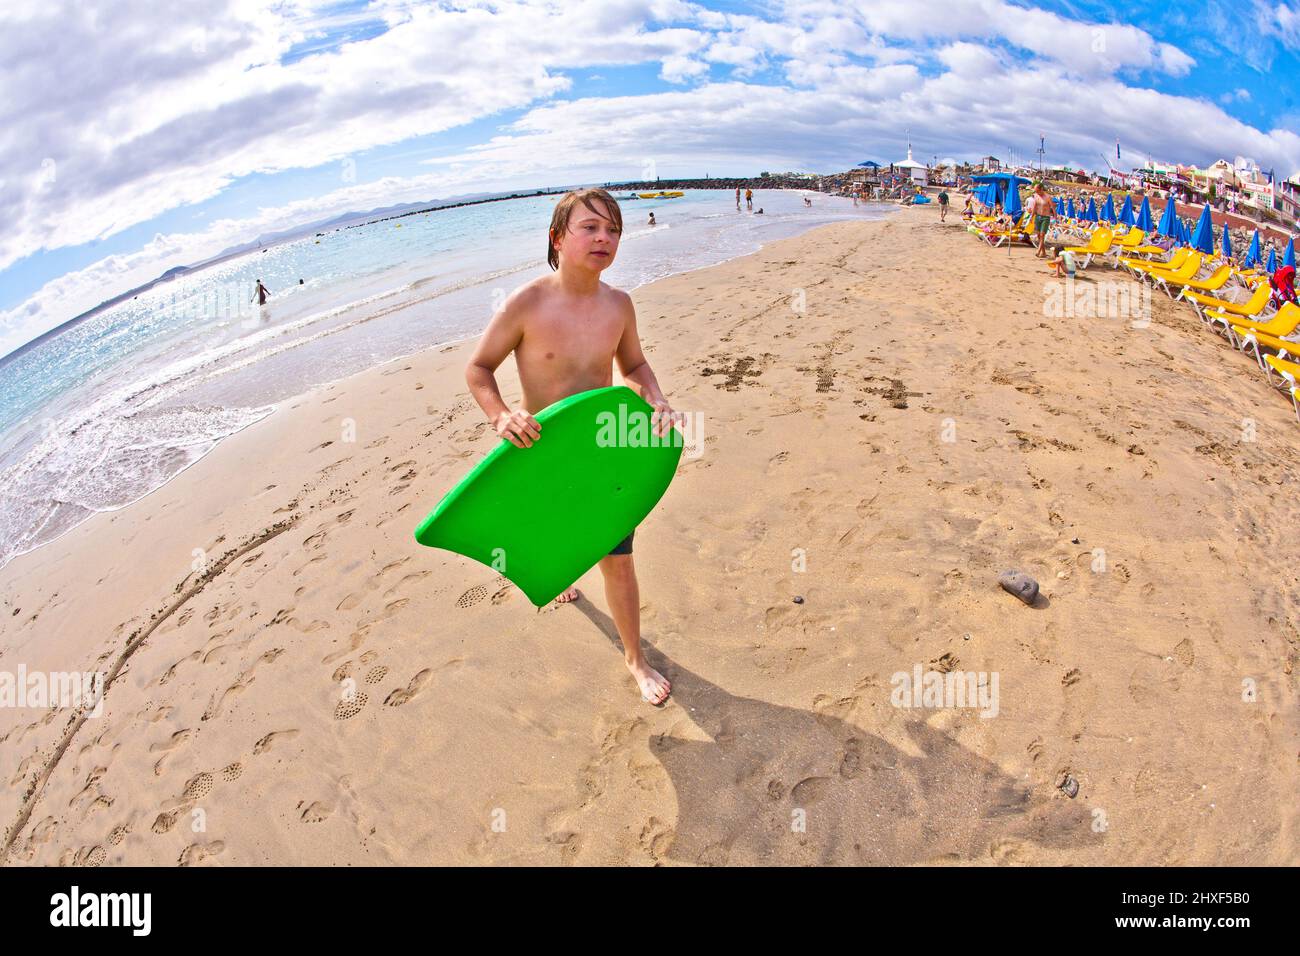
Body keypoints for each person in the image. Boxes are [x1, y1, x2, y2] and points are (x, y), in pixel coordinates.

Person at [464, 188, 679, 705]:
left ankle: (635, 658)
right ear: (557, 238)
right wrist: (501, 416)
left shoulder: (619, 305)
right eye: (590, 227)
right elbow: (478, 369)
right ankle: (561, 573)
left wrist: (656, 396)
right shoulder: (527, 303)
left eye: (613, 230)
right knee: (557, 535)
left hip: (603, 453)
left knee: (619, 559)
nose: (603, 238)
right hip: (543, 454)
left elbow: (634, 366)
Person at [1026, 182, 1054, 258]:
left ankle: (1038, 251)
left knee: (1042, 235)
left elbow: (1053, 207)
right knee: (1038, 235)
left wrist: (1055, 217)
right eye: (1035, 191)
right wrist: (1031, 216)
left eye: (1037, 191)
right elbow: (1035, 207)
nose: (1036, 192)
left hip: (1046, 217)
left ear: (1041, 189)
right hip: (1038, 216)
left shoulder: (1047, 197)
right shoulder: (1035, 196)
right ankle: (1044, 252)